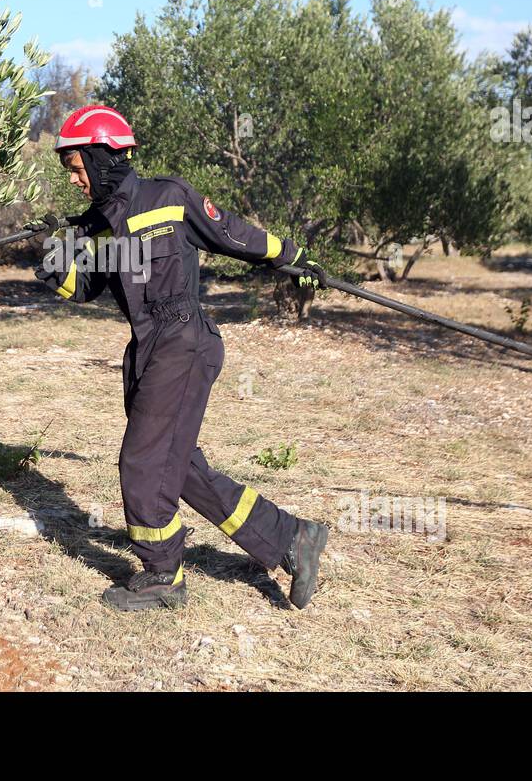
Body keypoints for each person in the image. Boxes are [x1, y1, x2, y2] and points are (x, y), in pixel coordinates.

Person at [35, 104, 331, 612]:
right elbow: (84, 287)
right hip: (146, 348)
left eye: (79, 169)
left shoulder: (168, 198)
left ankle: (162, 574)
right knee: (181, 469)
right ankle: (292, 537)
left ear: (101, 157)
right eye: (72, 174)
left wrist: (290, 257)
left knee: (144, 463)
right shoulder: (100, 228)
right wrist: (54, 257)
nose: (77, 182)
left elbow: (231, 232)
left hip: (183, 341)